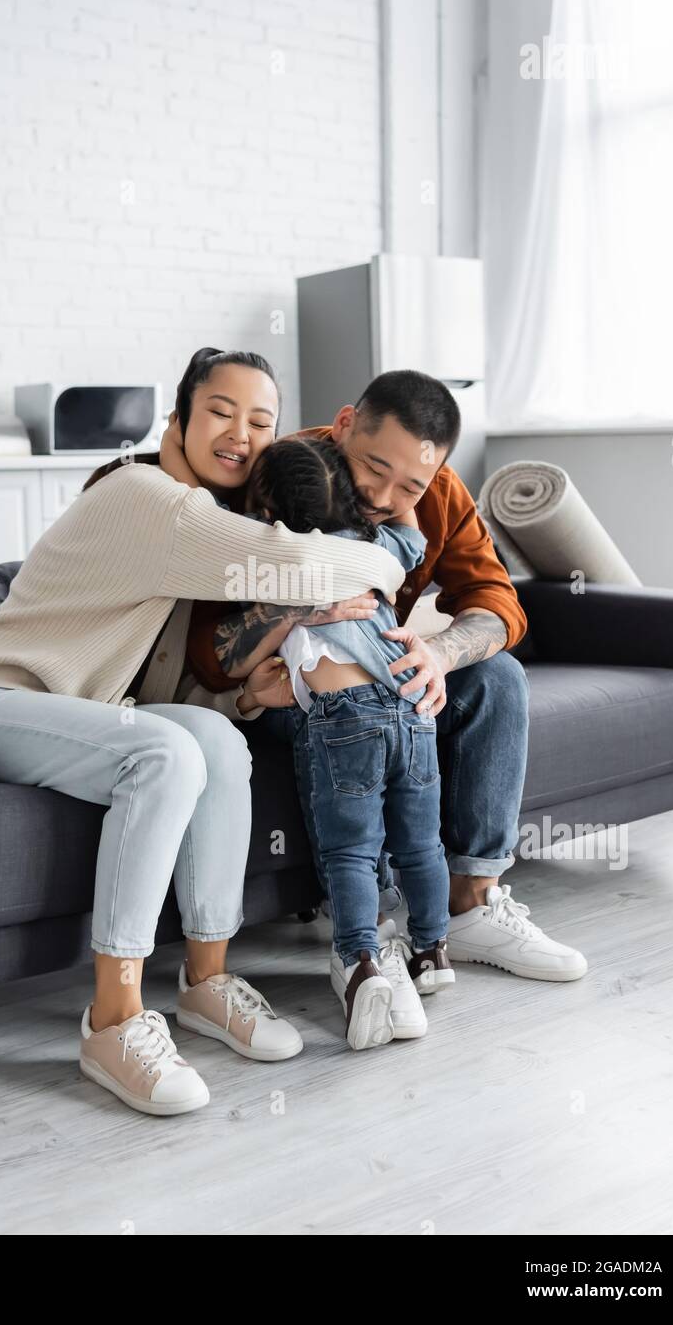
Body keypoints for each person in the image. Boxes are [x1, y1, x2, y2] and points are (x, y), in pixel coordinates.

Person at [0, 348, 406, 1119]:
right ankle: (113, 1022)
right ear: (179, 419)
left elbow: (155, 686)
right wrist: (386, 562)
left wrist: (241, 704)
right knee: (162, 753)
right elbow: (285, 564)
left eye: (259, 421)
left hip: (91, 715)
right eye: (220, 412)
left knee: (215, 743)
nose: (239, 433)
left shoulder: (197, 522)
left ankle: (205, 980)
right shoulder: (148, 497)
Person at [185, 370, 589, 985]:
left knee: (498, 678)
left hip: (388, 679)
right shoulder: (280, 475)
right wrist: (296, 609)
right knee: (344, 708)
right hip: (293, 688)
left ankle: (472, 904)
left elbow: (496, 599)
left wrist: (441, 653)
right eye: (375, 469)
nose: (386, 497)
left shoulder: (439, 493)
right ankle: (367, 930)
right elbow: (209, 651)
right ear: (345, 424)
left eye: (411, 486)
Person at [243, 435, 456, 1051]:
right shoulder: (378, 549)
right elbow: (414, 536)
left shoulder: (283, 563)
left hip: (343, 719)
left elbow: (236, 647)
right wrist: (392, 508)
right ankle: (433, 949)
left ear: (267, 516)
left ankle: (362, 963)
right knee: (420, 843)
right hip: (413, 705)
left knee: (352, 853)